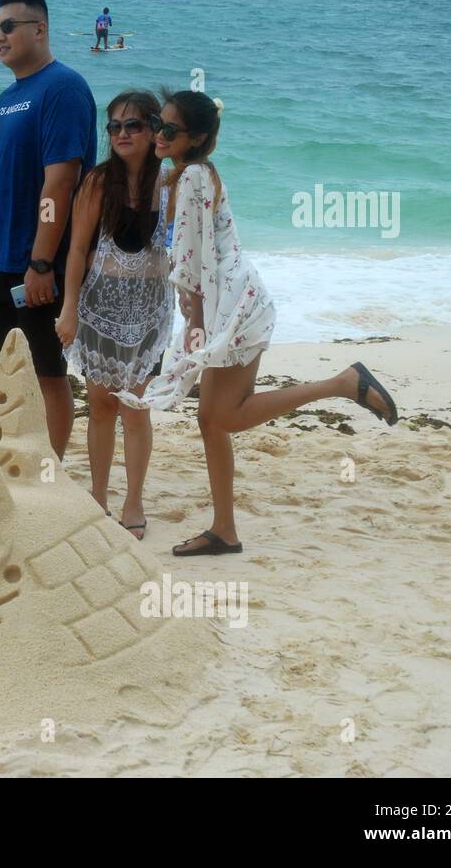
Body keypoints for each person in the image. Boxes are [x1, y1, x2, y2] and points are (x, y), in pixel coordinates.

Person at [118, 90, 401, 556]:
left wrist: (197, 326)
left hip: (232, 308)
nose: (158, 134)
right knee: (213, 421)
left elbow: (191, 261)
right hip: (239, 300)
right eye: (157, 123)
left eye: (169, 129)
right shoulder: (196, 174)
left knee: (223, 416)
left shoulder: (190, 178)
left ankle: (343, 384)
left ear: (198, 137)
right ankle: (225, 529)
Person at [0, 0, 97, 457]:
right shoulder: (9, 95)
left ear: (40, 29)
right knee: (11, 369)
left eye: (9, 27)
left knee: (48, 373)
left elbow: (61, 183)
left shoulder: (63, 87)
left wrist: (43, 262)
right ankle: (23, 461)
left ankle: (50, 474)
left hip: (35, 263)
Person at [56, 90, 173, 539]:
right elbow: (78, 250)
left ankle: (135, 501)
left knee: (136, 407)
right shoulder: (98, 182)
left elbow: (187, 247)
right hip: (98, 308)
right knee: (102, 405)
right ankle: (98, 497)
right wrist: (68, 310)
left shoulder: (171, 184)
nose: (122, 134)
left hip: (150, 312)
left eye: (133, 125)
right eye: (114, 127)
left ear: (153, 130)